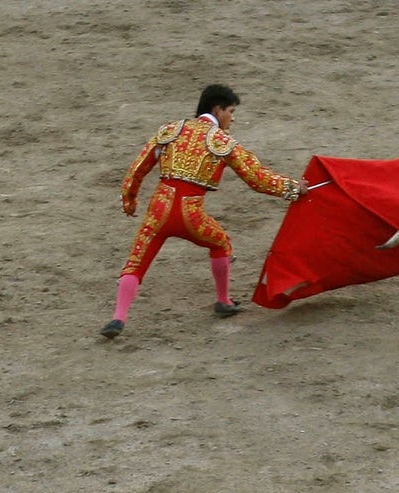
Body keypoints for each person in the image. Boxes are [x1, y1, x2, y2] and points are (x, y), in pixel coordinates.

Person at [100, 84, 306, 339]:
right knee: (220, 242)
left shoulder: (170, 131)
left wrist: (129, 200)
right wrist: (293, 188)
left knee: (136, 263)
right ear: (218, 109)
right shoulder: (221, 141)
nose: (233, 117)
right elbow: (256, 178)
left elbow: (138, 168)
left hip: (158, 208)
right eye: (231, 111)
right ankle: (224, 301)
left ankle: (118, 318)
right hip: (190, 213)